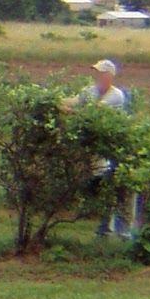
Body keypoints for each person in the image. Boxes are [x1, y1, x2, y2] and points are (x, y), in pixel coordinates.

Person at [63, 59, 134, 237]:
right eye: (97, 73)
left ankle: (124, 231)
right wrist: (55, 101)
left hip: (117, 146)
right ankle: (105, 228)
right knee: (105, 185)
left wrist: (69, 112)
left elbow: (94, 112)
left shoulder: (116, 96)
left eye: (102, 73)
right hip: (102, 147)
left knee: (122, 187)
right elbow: (76, 100)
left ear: (110, 76)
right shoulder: (91, 91)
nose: (98, 76)